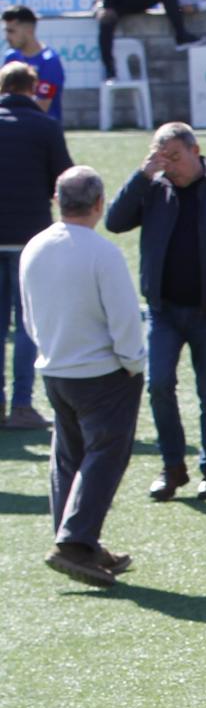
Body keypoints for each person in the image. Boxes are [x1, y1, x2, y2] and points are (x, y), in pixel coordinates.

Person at [106, 124, 206, 504]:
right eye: (161, 159)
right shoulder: (153, 190)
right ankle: (172, 466)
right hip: (163, 313)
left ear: (196, 150)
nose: (168, 166)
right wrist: (142, 176)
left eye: (174, 157)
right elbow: (114, 221)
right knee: (158, 385)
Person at [20, 167, 146, 589]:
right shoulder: (102, 252)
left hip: (54, 368)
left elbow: (28, 315)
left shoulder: (34, 246)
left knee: (68, 457)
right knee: (106, 455)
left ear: (57, 200)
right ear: (98, 203)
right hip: (102, 373)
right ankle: (74, 541)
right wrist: (133, 361)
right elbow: (124, 316)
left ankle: (78, 540)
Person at [0, 62, 70, 433]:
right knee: (26, 324)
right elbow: (64, 181)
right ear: (32, 88)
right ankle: (22, 404)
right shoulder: (46, 126)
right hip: (30, 238)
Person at [95, 0, 201, 84]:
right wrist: (106, 6)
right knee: (106, 21)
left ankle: (181, 36)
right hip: (115, 2)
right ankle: (109, 70)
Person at [2, 5, 65, 119]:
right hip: (16, 129)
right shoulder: (11, 57)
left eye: (11, 31)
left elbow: (42, 106)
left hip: (43, 131)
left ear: (29, 30)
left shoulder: (49, 61)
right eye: (6, 31)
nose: (7, 37)